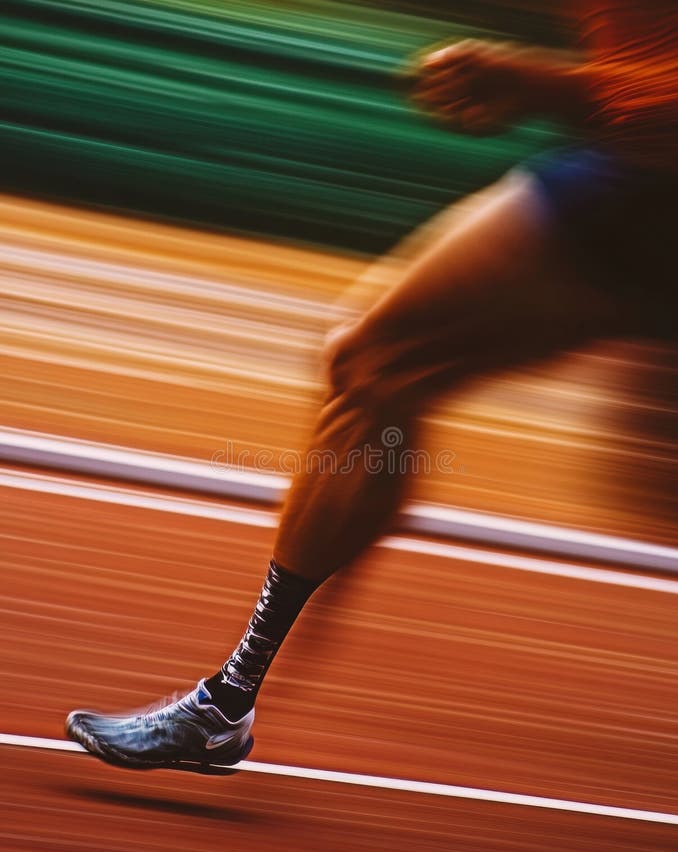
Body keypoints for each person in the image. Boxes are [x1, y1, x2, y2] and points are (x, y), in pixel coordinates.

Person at [67, 1, 677, 773]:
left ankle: (225, 705)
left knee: (376, 364)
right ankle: (226, 703)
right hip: (640, 167)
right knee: (639, 484)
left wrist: (539, 83)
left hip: (653, 178)